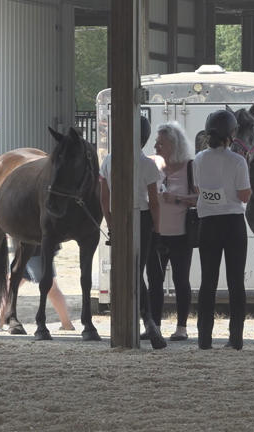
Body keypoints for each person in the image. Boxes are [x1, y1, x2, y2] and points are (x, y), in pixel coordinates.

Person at [194, 110, 251, 350]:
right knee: (236, 282)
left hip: (207, 223)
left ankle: (204, 339)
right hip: (233, 223)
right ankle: (235, 338)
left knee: (208, 281)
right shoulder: (238, 161)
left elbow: (199, 189)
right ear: (231, 134)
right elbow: (244, 196)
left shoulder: (198, 159)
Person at [99, 115, 161, 339]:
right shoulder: (148, 164)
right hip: (142, 218)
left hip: (118, 216)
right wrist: (157, 227)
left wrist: (110, 221)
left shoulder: (108, 160)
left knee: (123, 269)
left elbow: (104, 198)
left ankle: (130, 320)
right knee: (137, 270)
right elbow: (154, 201)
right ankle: (149, 321)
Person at [145, 121, 198, 341]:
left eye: (161, 143)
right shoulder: (153, 164)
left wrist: (176, 198)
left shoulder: (190, 167)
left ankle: (181, 327)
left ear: (174, 145)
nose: (156, 147)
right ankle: (154, 325)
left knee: (181, 280)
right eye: (156, 143)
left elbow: (199, 198)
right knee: (154, 281)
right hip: (155, 233)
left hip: (181, 235)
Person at [0, 245, 74, 331]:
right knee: (13, 280)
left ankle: (67, 324)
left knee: (50, 287)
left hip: (33, 247)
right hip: (28, 248)